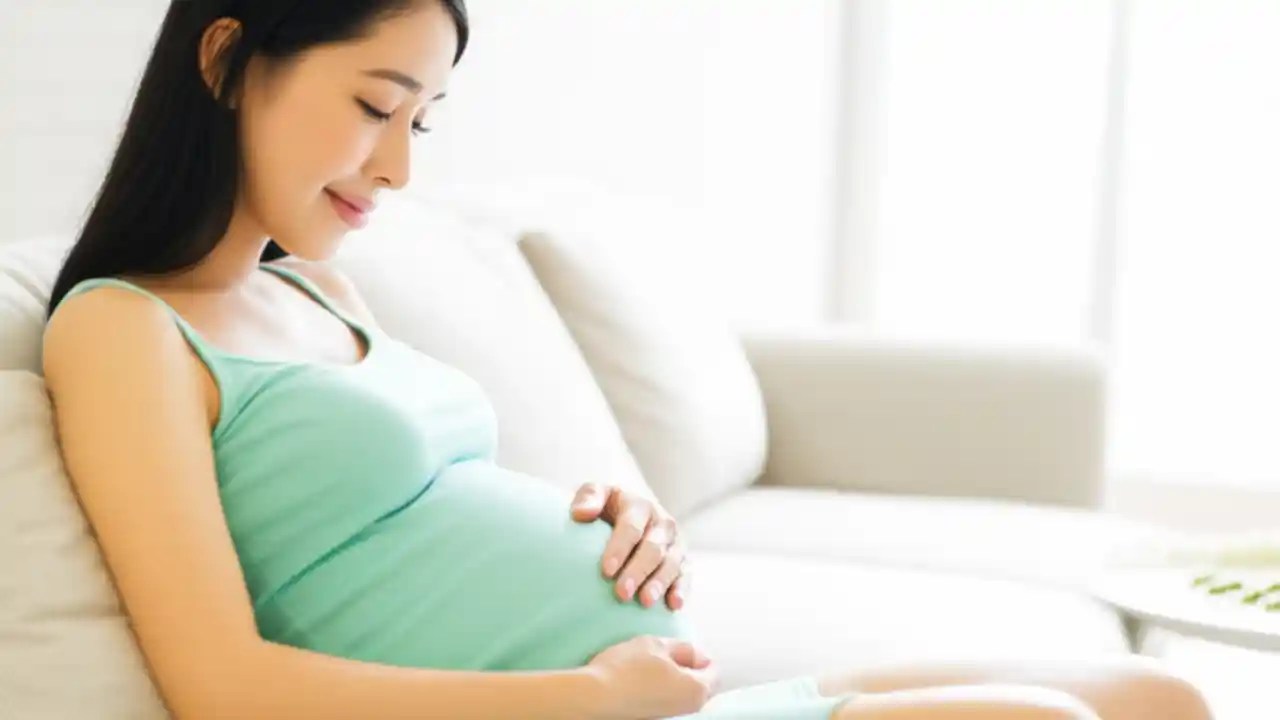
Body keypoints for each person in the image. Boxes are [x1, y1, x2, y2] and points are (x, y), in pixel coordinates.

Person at [41, 2, 1215, 718]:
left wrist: (614, 515)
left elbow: (420, 527)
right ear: (228, 60)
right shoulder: (124, 329)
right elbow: (222, 689)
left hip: (661, 699)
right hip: (591, 714)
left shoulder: (318, 288)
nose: (398, 168)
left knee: (1160, 699)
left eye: (421, 121)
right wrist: (588, 696)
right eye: (375, 105)